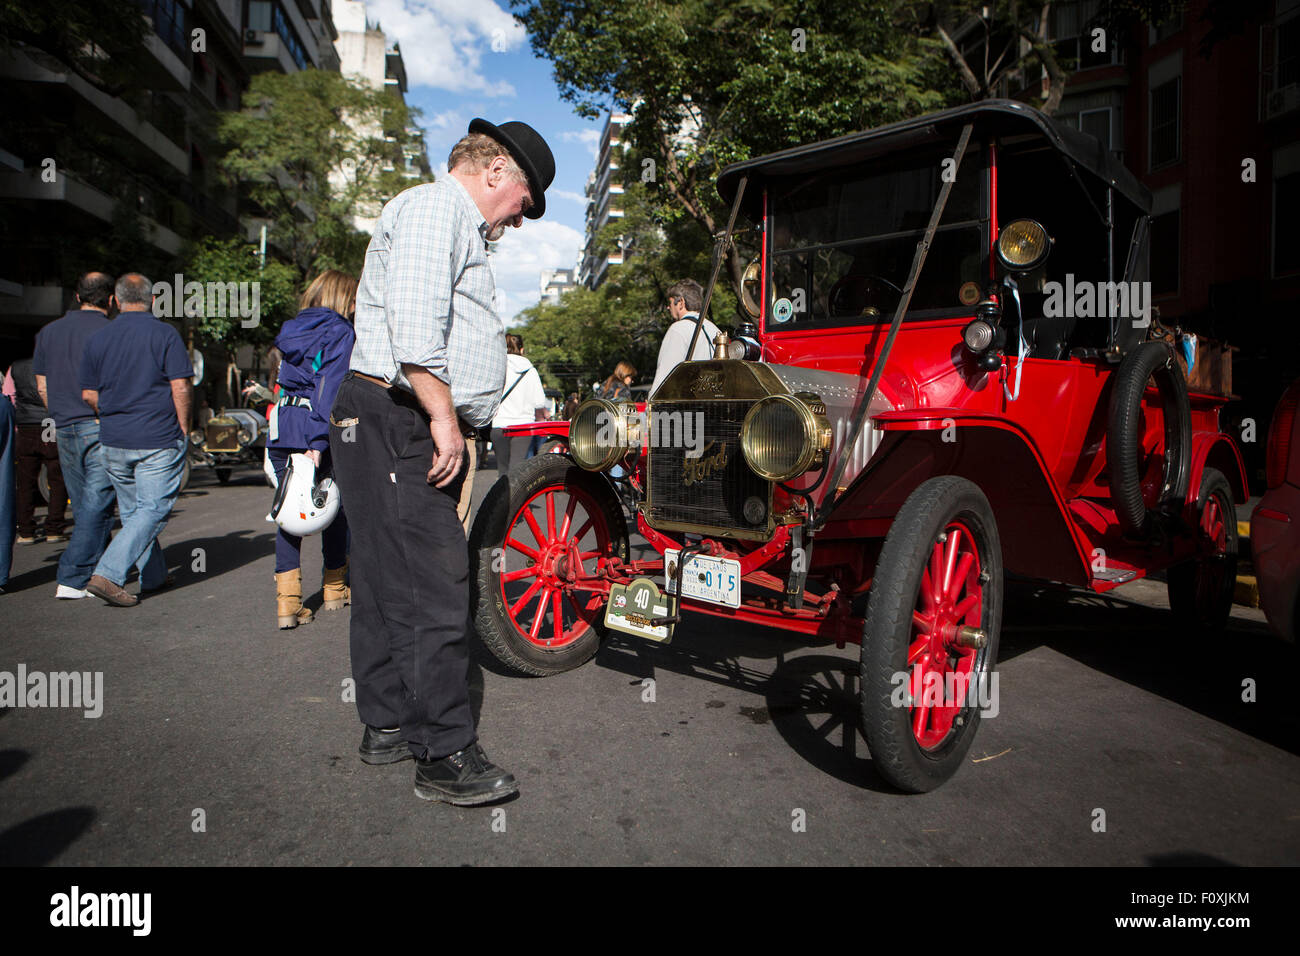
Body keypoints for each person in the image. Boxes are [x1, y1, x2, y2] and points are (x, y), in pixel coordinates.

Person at [328, 117, 554, 805]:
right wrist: (443, 417)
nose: (518, 220)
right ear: (495, 173)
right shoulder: (436, 207)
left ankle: (388, 722)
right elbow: (416, 328)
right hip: (400, 414)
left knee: (383, 573)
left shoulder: (443, 217)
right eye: (523, 201)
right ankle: (443, 754)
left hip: (384, 414)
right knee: (434, 581)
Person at [79, 273, 193, 607]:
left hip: (113, 439)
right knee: (153, 510)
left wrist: (113, 415)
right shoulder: (165, 334)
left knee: (133, 513)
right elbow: (181, 386)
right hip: (157, 437)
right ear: (154, 299)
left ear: (114, 300)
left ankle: (154, 575)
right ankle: (108, 573)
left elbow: (88, 394)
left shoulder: (98, 339)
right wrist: (184, 427)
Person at [267, 270, 356, 629]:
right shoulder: (339, 332)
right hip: (315, 429)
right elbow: (328, 387)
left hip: (283, 422)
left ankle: (287, 604)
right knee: (334, 504)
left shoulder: (291, 330)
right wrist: (318, 444)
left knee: (287, 511)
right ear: (342, 298)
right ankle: (335, 588)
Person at [32, 271, 115, 599]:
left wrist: (59, 412)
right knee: (98, 502)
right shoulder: (111, 332)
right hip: (98, 423)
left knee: (84, 503)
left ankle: (101, 570)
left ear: (77, 296)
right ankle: (74, 575)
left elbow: (41, 384)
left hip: (63, 424)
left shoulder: (48, 332)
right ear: (110, 300)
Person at [7, 357, 68, 543]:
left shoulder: (15, 367)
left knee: (25, 481)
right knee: (56, 476)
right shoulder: (57, 364)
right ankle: (54, 528)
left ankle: (25, 531)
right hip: (48, 423)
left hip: (25, 425)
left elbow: (9, 395)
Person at [489, 333, 548, 475]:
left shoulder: (495, 368)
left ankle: (501, 497)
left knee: (502, 471)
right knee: (517, 472)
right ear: (522, 350)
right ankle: (513, 497)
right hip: (523, 426)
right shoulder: (530, 370)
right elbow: (539, 401)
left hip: (499, 424)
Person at [648, 278, 719, 394]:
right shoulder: (715, 329)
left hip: (687, 408)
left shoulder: (678, 329)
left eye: (670, 303)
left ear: (680, 303)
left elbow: (664, 380)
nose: (668, 307)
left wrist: (651, 407)